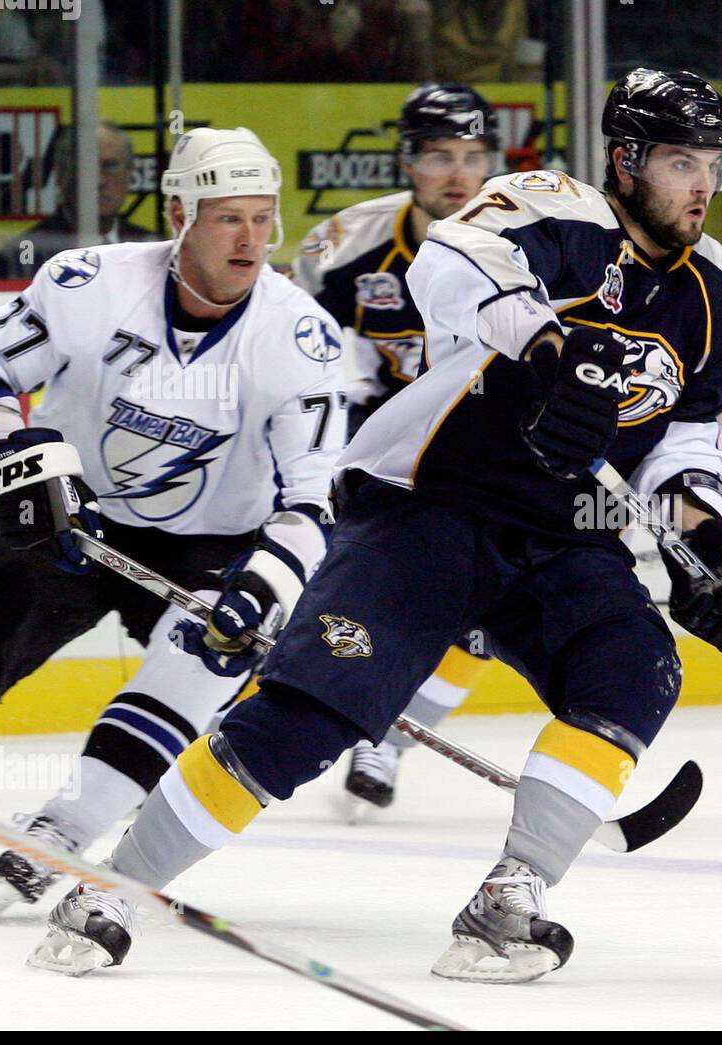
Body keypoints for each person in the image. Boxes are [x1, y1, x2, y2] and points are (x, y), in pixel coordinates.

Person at [27, 68, 722, 985]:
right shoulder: (559, 211)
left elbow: (686, 430)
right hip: (428, 504)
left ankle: (512, 896)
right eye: (680, 162)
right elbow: (449, 261)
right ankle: (111, 888)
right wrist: (547, 348)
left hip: (565, 535)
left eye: (715, 166)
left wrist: (707, 538)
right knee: (306, 716)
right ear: (626, 162)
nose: (702, 186)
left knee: (633, 673)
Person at [0, 128, 345, 916]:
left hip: (216, 548)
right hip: (69, 517)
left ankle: (61, 832)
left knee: (201, 663)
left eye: (262, 216)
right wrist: (13, 454)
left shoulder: (298, 337)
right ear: (179, 212)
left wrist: (265, 584)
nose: (251, 238)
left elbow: (314, 500)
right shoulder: (85, 283)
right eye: (226, 218)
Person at [293, 83, 503, 819]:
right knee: (351, 596)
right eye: (441, 155)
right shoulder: (348, 245)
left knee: (482, 620)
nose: (459, 174)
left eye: (475, 157)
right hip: (382, 452)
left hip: (487, 454)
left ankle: (380, 734)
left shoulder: (533, 241)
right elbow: (293, 347)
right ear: (408, 161)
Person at [0, 123, 160, 280]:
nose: (99, 180)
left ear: (130, 174)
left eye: (110, 166)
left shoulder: (153, 248)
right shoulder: (20, 257)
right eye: (86, 167)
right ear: (61, 175)